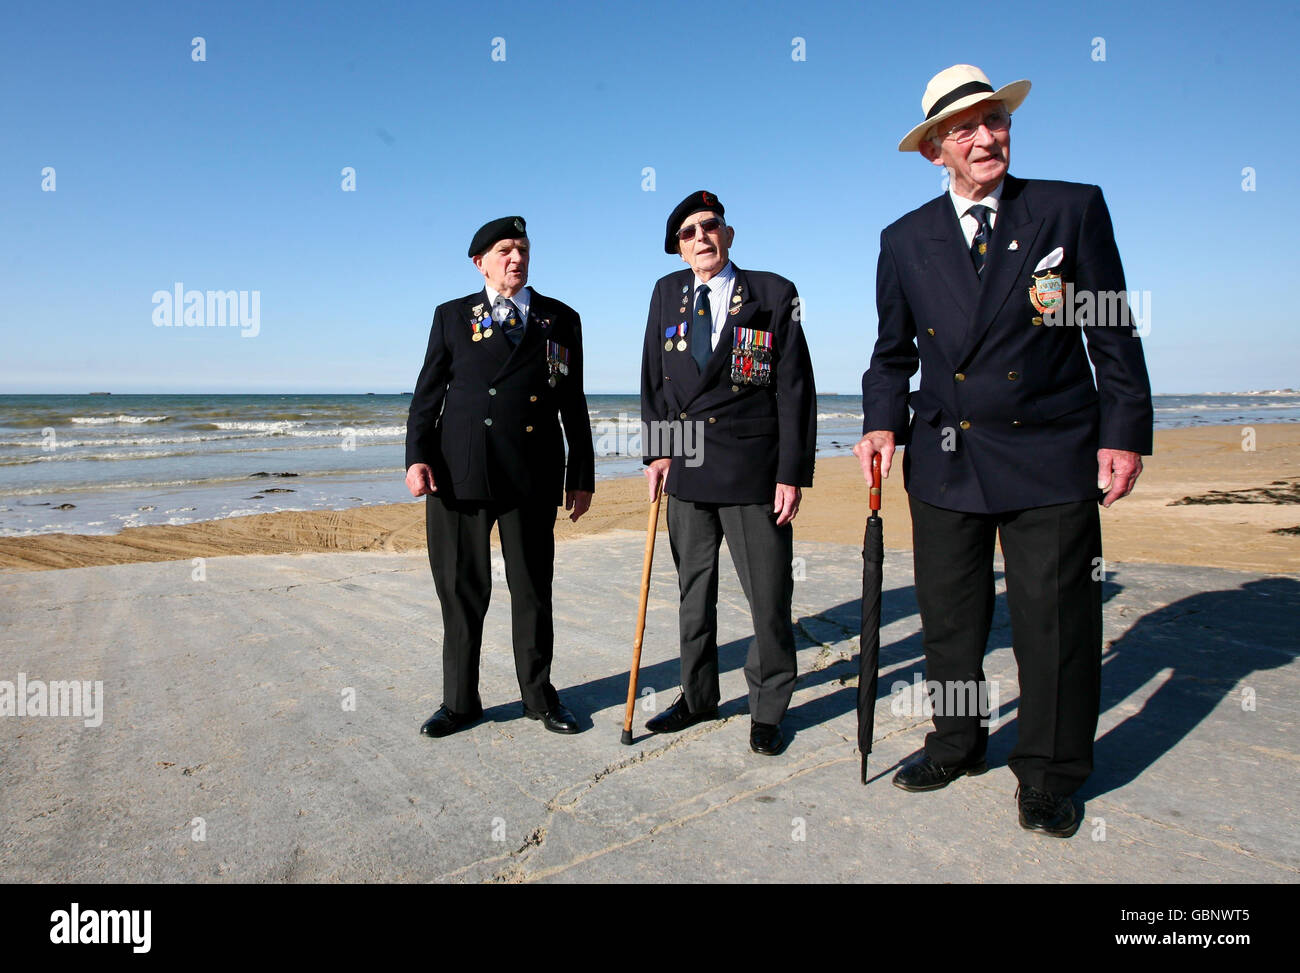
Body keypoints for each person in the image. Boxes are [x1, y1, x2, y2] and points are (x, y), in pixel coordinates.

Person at [854, 66, 1153, 836]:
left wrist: (1124, 431)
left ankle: (1051, 772)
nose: (986, 137)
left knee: (1055, 621)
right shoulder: (902, 239)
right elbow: (891, 355)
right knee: (951, 622)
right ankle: (957, 740)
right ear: (935, 152)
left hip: (1050, 450)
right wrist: (882, 422)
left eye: (996, 121)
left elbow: (1110, 332)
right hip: (945, 456)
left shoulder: (1068, 210)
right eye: (965, 129)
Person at [640, 190, 817, 756]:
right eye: (688, 233)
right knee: (695, 593)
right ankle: (697, 696)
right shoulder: (667, 293)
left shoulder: (771, 293)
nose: (701, 238)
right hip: (687, 468)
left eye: (709, 227)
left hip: (752, 472)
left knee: (767, 595)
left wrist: (791, 472)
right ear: (678, 249)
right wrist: (658, 453)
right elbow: (653, 379)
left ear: (729, 234)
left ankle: (768, 707)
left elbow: (794, 389)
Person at [405, 216, 595, 738]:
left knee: (533, 589)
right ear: (480, 262)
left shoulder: (560, 318)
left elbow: (572, 402)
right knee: (463, 590)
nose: (516, 258)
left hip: (532, 472)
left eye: (523, 249)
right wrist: (416, 457)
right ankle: (460, 702)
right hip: (459, 473)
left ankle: (539, 697)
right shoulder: (451, 316)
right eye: (505, 250)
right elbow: (427, 395)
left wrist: (581, 472)